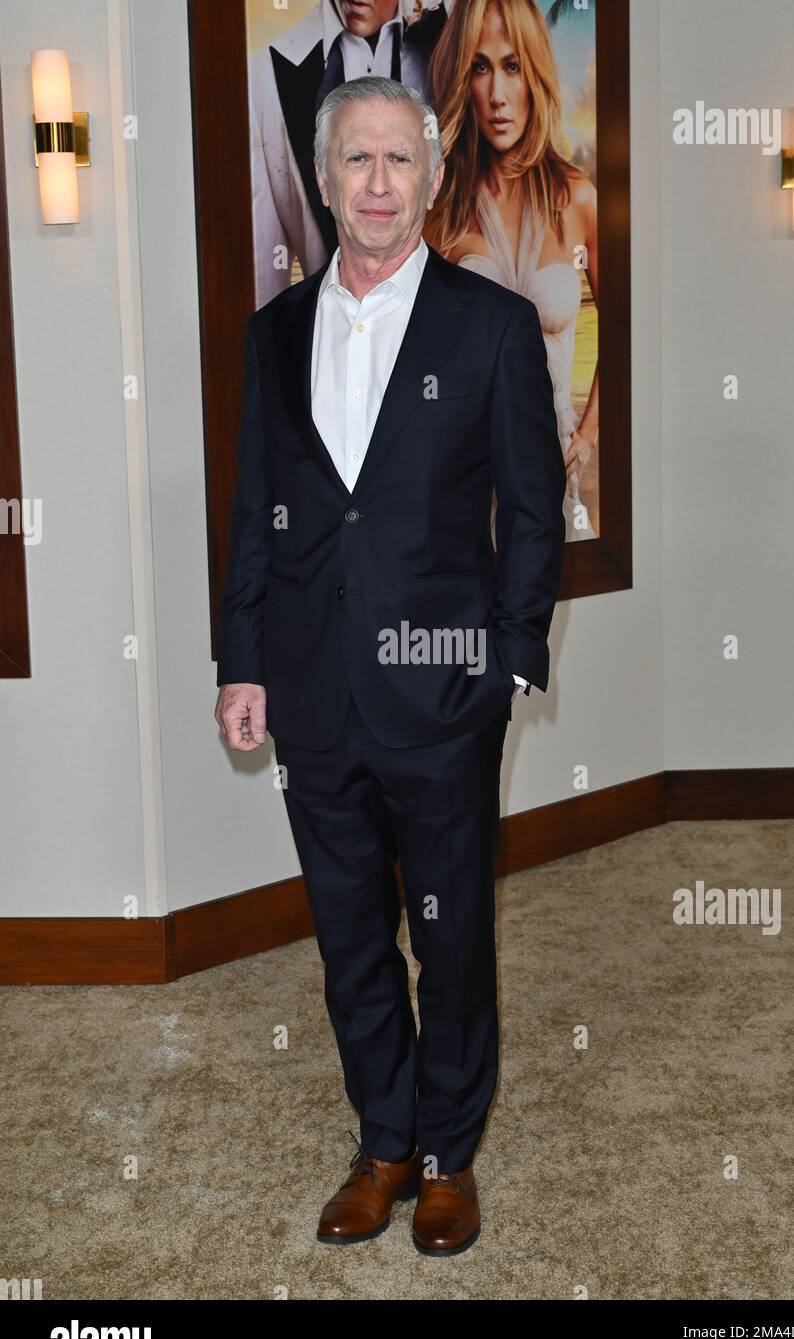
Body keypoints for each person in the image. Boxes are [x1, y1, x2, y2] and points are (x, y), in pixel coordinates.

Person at [215, 75, 565, 1255]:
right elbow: (256, 506)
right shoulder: (272, 335)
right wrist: (241, 659)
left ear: (427, 179)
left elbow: (533, 503)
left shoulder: (492, 327)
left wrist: (511, 663)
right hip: (314, 696)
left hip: (445, 693)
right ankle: (383, 1138)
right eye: (354, 162)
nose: (375, 183)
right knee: (352, 931)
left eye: (397, 161)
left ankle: (449, 1154)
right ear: (323, 182)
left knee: (452, 932)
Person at [425, 0, 598, 539]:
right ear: (462, 80)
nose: (497, 94)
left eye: (512, 66)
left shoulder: (576, 198)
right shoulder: (438, 213)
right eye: (480, 67)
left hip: (551, 478)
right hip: (462, 486)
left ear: (535, 75)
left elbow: (630, 332)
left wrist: (587, 435)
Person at [249, 0, 451, 305]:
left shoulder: (448, 47)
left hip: (446, 330)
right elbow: (266, 273)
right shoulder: (265, 72)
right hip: (328, 331)